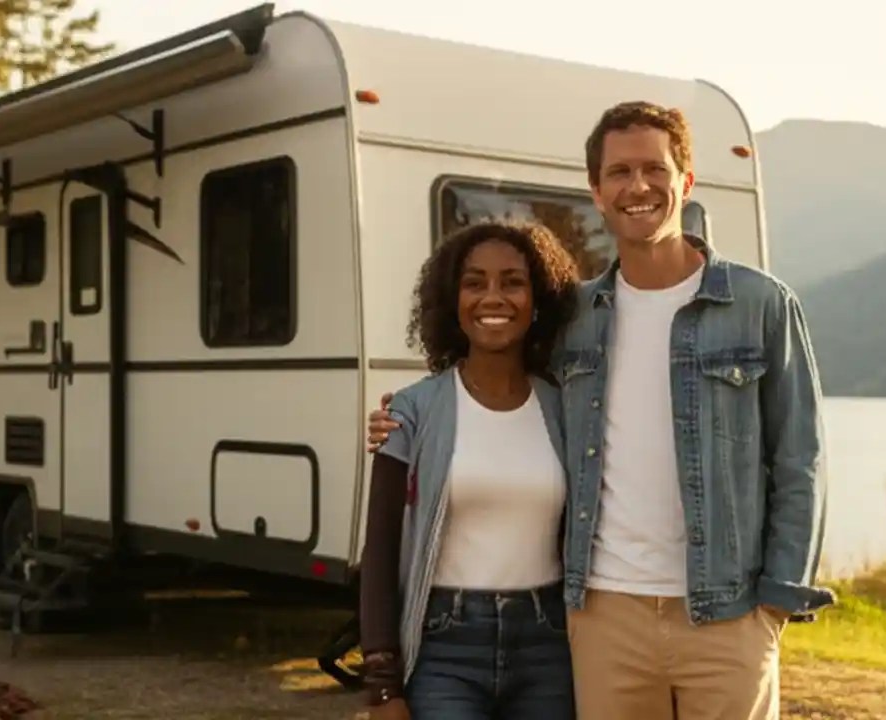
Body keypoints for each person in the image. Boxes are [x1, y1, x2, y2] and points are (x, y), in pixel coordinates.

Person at [368, 100, 834, 719]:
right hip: (604, 614)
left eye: (655, 169)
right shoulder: (576, 316)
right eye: (619, 172)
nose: (637, 186)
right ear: (596, 190)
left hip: (728, 612)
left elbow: (801, 459)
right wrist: (406, 413)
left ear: (686, 183)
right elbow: (497, 372)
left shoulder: (761, 305)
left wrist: (775, 602)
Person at [357, 219, 581, 720]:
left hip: (548, 646)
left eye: (513, 282)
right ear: (452, 301)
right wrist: (382, 687)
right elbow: (380, 551)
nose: (493, 297)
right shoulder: (411, 412)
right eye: (474, 283)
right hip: (444, 649)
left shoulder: (563, 408)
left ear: (538, 300)